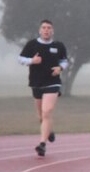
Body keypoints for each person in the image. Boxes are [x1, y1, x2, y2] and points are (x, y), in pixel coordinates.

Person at [18, 19, 69, 156]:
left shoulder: (58, 46)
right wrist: (31, 61)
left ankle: (42, 144)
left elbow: (64, 61)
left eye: (49, 28)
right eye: (44, 28)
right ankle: (49, 131)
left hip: (53, 82)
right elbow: (20, 59)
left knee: (47, 111)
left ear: (52, 31)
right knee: (41, 116)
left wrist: (60, 68)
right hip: (36, 83)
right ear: (40, 30)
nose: (46, 30)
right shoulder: (32, 45)